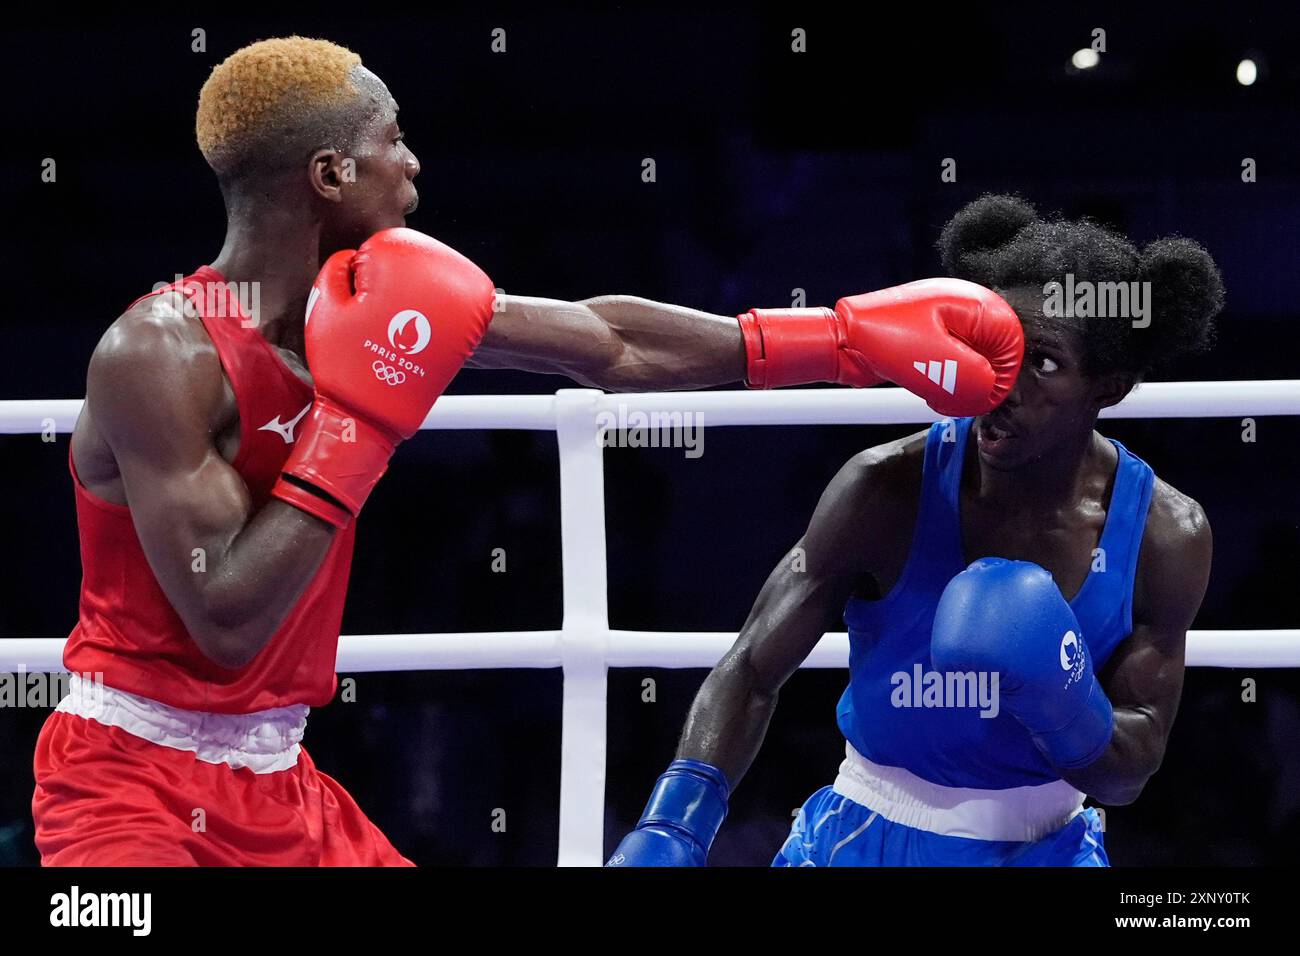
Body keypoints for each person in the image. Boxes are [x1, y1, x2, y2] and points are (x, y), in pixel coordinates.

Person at [32, 37, 1020, 865]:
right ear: (331, 174)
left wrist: (840, 343)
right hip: (130, 786)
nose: (414, 166)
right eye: (394, 141)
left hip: (284, 780)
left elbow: (610, 341)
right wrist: (361, 421)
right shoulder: (160, 352)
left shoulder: (385, 303)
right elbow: (226, 622)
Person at [609, 194, 1223, 867]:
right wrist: (676, 823)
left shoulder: (1165, 533)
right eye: (995, 349)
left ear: (1108, 386)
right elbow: (753, 666)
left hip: (1050, 847)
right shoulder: (885, 489)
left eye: (1042, 363)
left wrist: (1061, 695)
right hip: (865, 834)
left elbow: (1130, 774)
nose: (1001, 384)